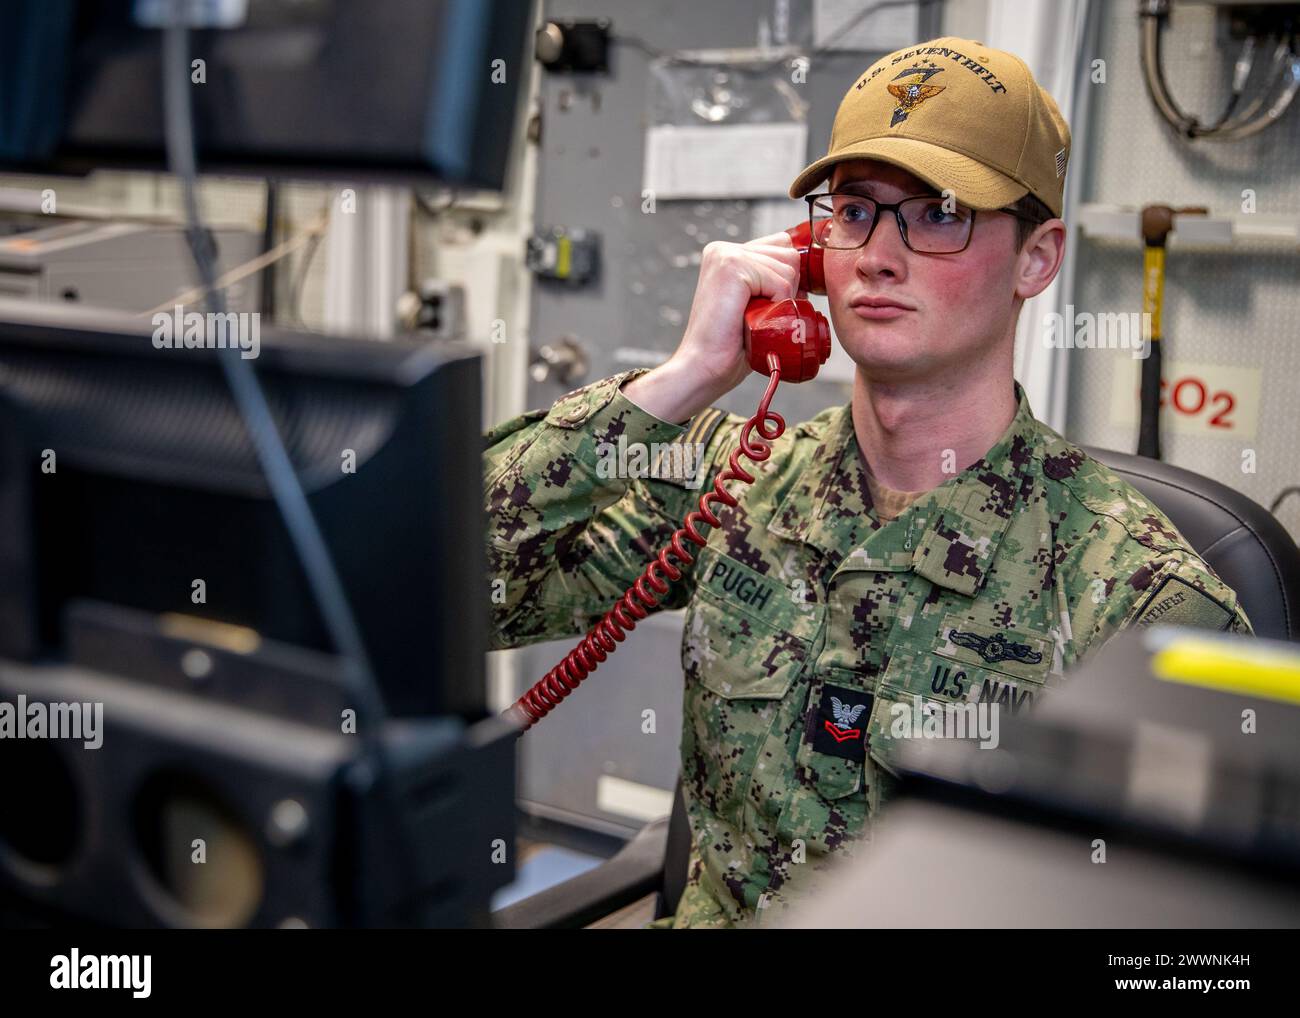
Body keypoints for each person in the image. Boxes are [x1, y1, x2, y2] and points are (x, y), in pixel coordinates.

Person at [483, 36, 1251, 928]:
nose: (879, 257)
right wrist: (679, 381)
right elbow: (449, 586)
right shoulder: (736, 479)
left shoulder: (1135, 595)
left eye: (940, 213)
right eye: (854, 213)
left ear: (1037, 260)